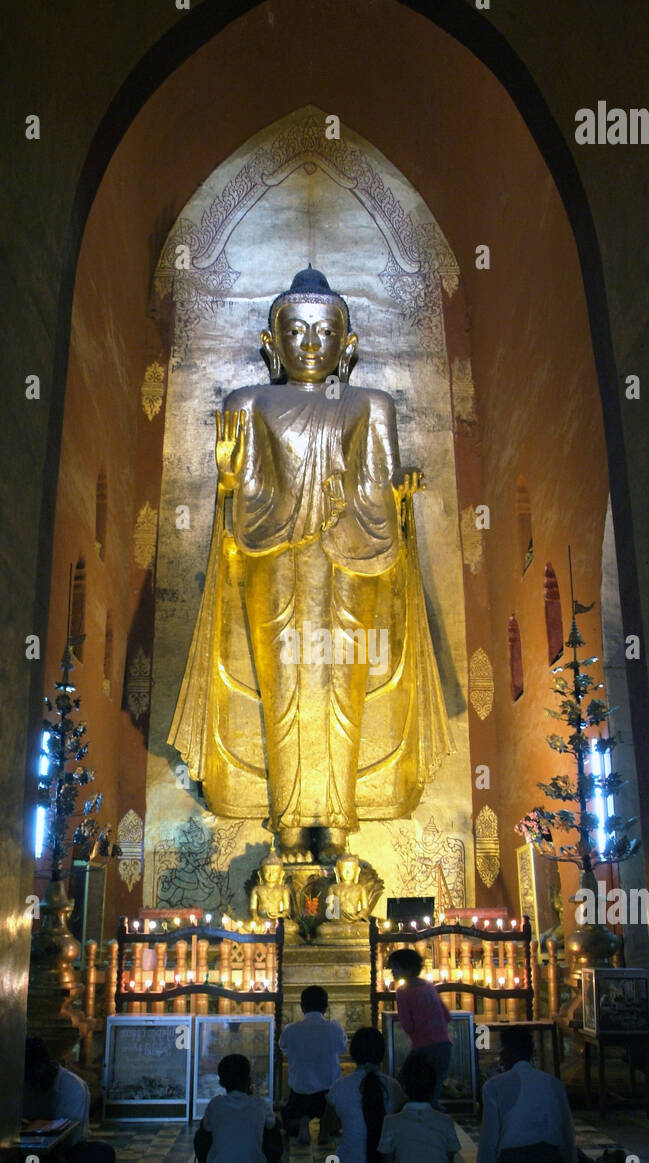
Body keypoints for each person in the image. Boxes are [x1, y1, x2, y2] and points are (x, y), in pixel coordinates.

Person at [167, 266, 450, 866]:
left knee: (344, 689)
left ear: (347, 346)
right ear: (273, 345)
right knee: (286, 690)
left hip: (354, 556)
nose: (310, 344)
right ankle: (292, 827)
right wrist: (224, 475)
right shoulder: (248, 402)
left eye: (324, 332)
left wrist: (399, 494)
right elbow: (243, 495)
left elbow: (377, 483)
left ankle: (340, 828)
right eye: (295, 331)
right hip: (273, 558)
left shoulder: (371, 404)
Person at [470, 1026, 581, 1163]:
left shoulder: (494, 1086)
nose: (500, 1056)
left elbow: (489, 1141)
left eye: (501, 1050)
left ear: (508, 1051)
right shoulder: (553, 1084)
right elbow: (567, 1138)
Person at [194, 1053, 282, 1163]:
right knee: (272, 1134)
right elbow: (274, 1126)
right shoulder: (260, 1104)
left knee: (202, 1136)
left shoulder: (215, 1105)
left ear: (221, 1081)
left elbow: (205, 1131)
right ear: (249, 1080)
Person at [22, 1037, 115, 1163]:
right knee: (24, 1160)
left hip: (63, 1152)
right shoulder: (27, 1083)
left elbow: (71, 1138)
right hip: (29, 1149)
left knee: (100, 1155)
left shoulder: (73, 1088)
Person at [325, 1027, 405, 1163]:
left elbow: (329, 1129)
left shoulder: (339, 1087)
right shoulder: (394, 1087)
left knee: (330, 1161)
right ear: (381, 1054)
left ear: (353, 1054)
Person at [278, 985, 347, 1143]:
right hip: (328, 1090)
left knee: (292, 1113)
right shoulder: (334, 1028)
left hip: (300, 1090)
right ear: (325, 1007)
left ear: (302, 1007)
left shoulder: (291, 1030)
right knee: (335, 1108)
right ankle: (325, 1127)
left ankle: (303, 1122)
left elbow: (283, 1047)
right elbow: (342, 1048)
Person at [386, 947, 452, 1108]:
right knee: (433, 1091)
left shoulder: (403, 991)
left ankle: (416, 1125)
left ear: (406, 969)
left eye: (395, 968)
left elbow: (408, 1025)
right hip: (444, 1045)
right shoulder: (429, 986)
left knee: (409, 1086)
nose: (392, 972)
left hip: (423, 1047)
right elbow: (447, 1015)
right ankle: (437, 1124)